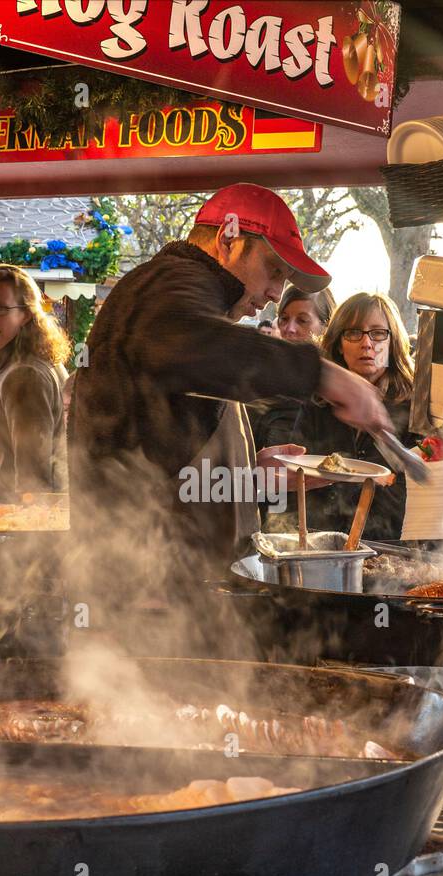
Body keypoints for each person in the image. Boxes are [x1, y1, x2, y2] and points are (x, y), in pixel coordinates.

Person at [69, 182, 389, 584]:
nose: (275, 294)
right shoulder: (168, 285)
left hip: (185, 576)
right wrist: (326, 375)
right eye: (273, 271)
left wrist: (249, 476)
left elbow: (167, 451)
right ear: (228, 238)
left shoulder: (195, 303)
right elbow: (207, 348)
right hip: (142, 581)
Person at [287, 293, 416, 542]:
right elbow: (298, 471)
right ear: (338, 344)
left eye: (378, 333)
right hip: (320, 539)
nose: (366, 343)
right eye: (354, 333)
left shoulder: (414, 407)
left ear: (394, 342)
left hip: (389, 548)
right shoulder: (317, 404)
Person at [0, 265, 70, 494]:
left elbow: (33, 480)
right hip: (6, 517)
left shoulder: (24, 376)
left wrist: (24, 527)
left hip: (16, 521)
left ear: (25, 314)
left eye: (0, 309)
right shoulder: (27, 364)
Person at [253, 285, 337, 450]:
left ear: (326, 326)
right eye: (284, 318)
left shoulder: (334, 392)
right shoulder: (262, 379)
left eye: (302, 320)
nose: (289, 329)